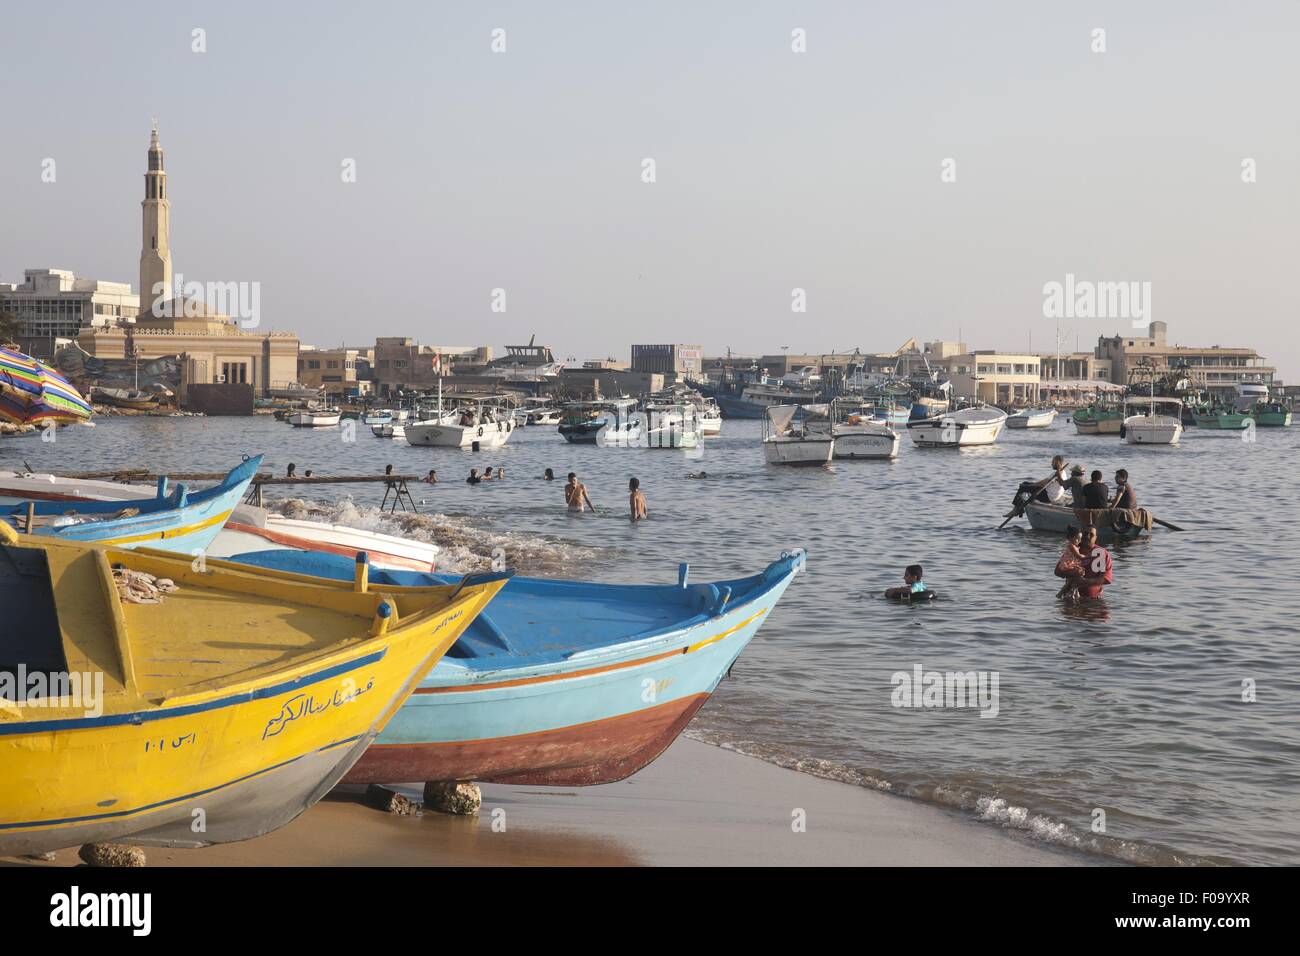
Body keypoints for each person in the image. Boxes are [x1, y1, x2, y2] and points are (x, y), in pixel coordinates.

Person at [1054, 526, 1089, 598]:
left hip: (1070, 564)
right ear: (1070, 538)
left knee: (1072, 578)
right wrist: (1088, 556)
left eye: (1080, 539)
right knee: (1078, 573)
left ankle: (1072, 592)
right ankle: (1065, 592)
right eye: (1077, 538)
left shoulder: (1075, 546)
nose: (1079, 541)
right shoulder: (1071, 546)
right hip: (1066, 565)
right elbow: (1078, 556)